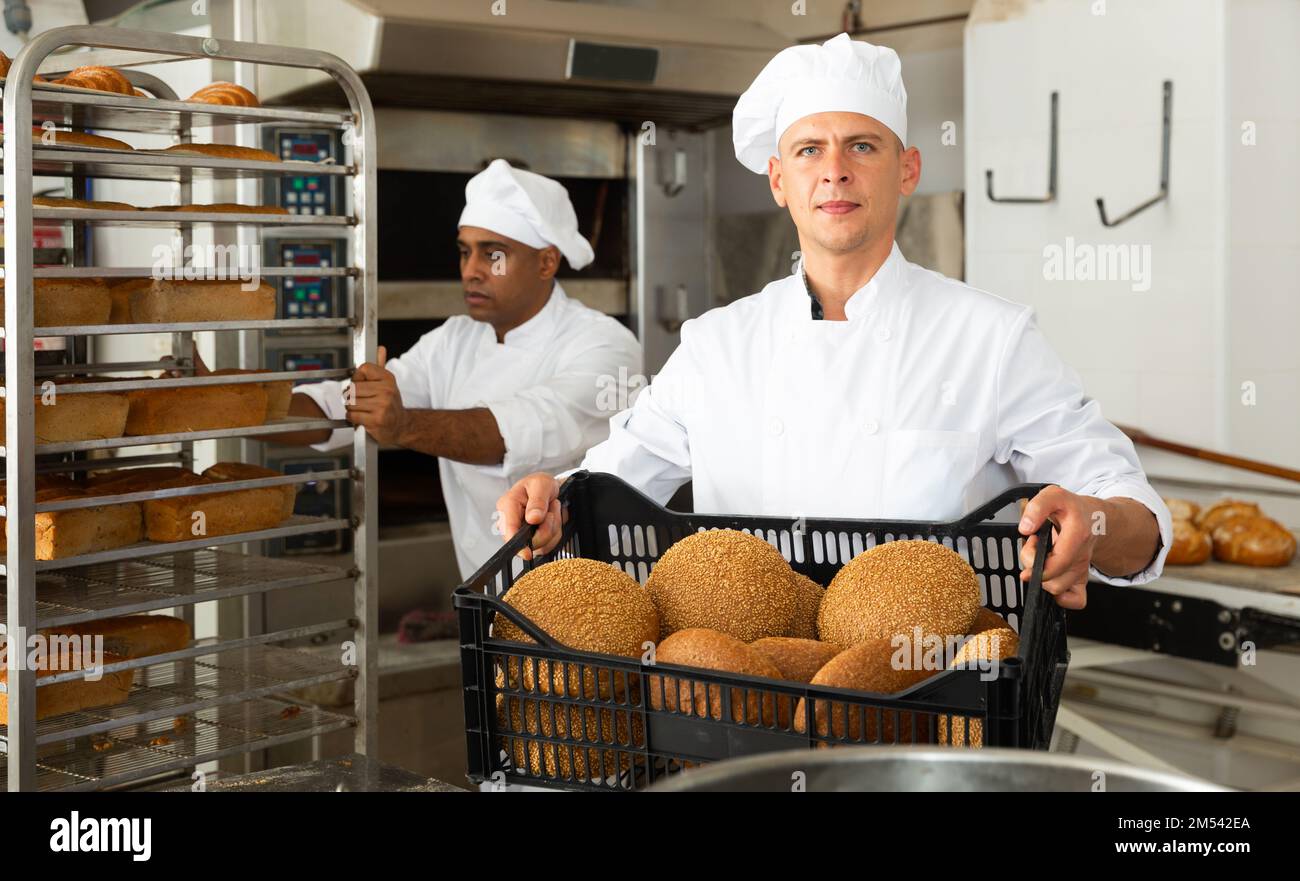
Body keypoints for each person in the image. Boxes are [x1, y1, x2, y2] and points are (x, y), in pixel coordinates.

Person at [496, 35, 1169, 610]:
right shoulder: (716, 347)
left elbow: (1132, 512)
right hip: (745, 705)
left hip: (932, 713)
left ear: (907, 170)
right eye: (810, 150)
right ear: (777, 180)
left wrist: (1093, 523)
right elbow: (600, 489)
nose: (835, 172)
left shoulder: (990, 339)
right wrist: (548, 501)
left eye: (863, 147)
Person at [278, 159, 642, 579]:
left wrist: (402, 425)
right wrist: (226, 407)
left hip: (594, 601)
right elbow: (340, 406)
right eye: (465, 252)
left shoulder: (605, 345)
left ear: (546, 262)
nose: (471, 271)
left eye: (493, 254)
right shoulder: (454, 341)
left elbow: (516, 429)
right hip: (488, 609)